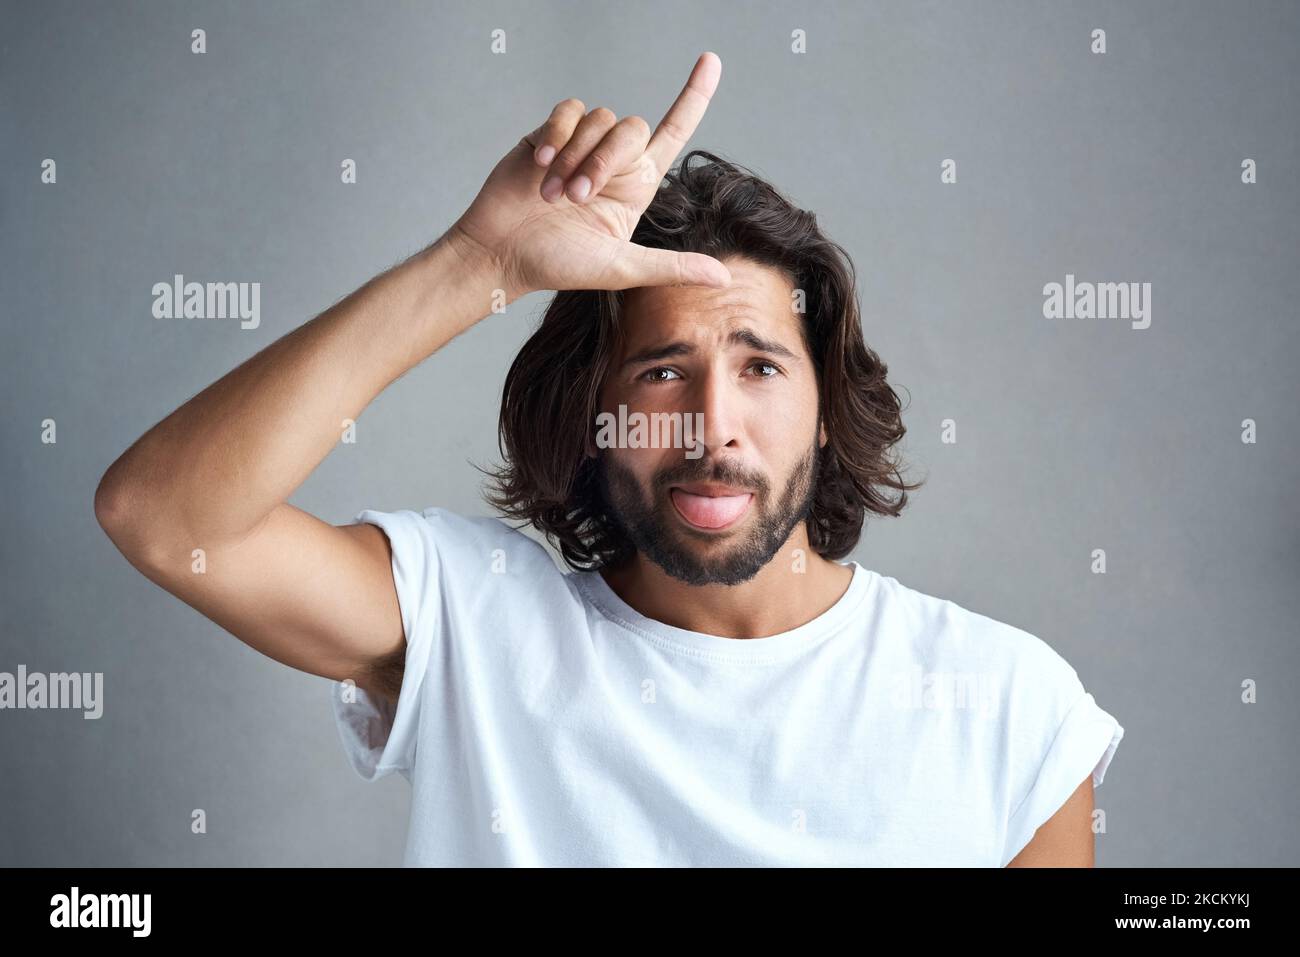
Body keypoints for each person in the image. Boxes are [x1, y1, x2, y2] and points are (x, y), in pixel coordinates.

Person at [95, 51, 1123, 867]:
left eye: (760, 366)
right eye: (663, 372)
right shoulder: (471, 622)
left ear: (822, 412)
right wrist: (480, 264)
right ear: (594, 413)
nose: (712, 425)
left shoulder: (1007, 705)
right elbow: (163, 519)